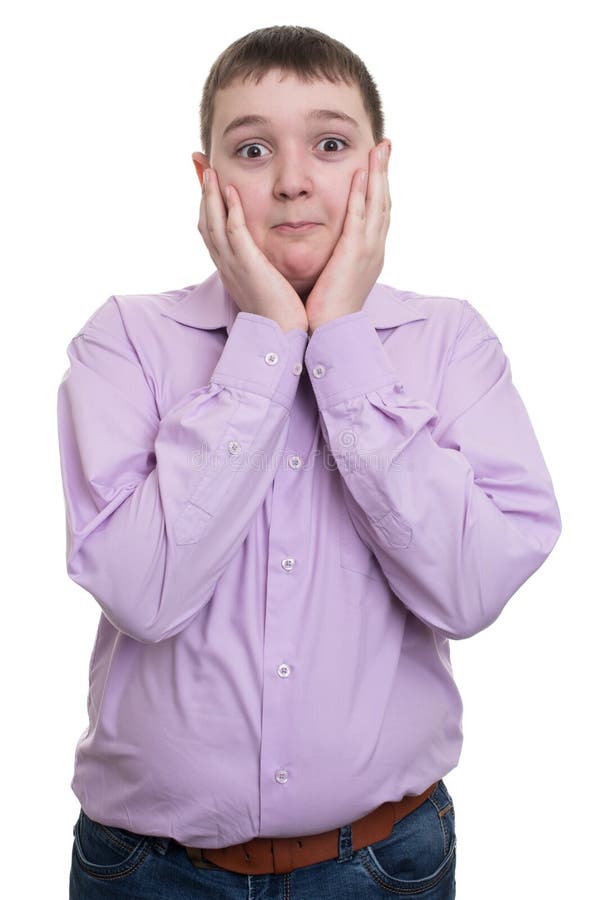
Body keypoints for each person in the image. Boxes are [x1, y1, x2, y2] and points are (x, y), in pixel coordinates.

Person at [58, 24, 562, 900]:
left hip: (381, 863)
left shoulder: (450, 344)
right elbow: (142, 591)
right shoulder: (125, 342)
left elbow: (471, 589)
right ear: (207, 182)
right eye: (252, 149)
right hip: (146, 872)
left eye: (329, 144)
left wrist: (340, 342)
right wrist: (264, 347)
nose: (291, 179)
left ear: (376, 169)